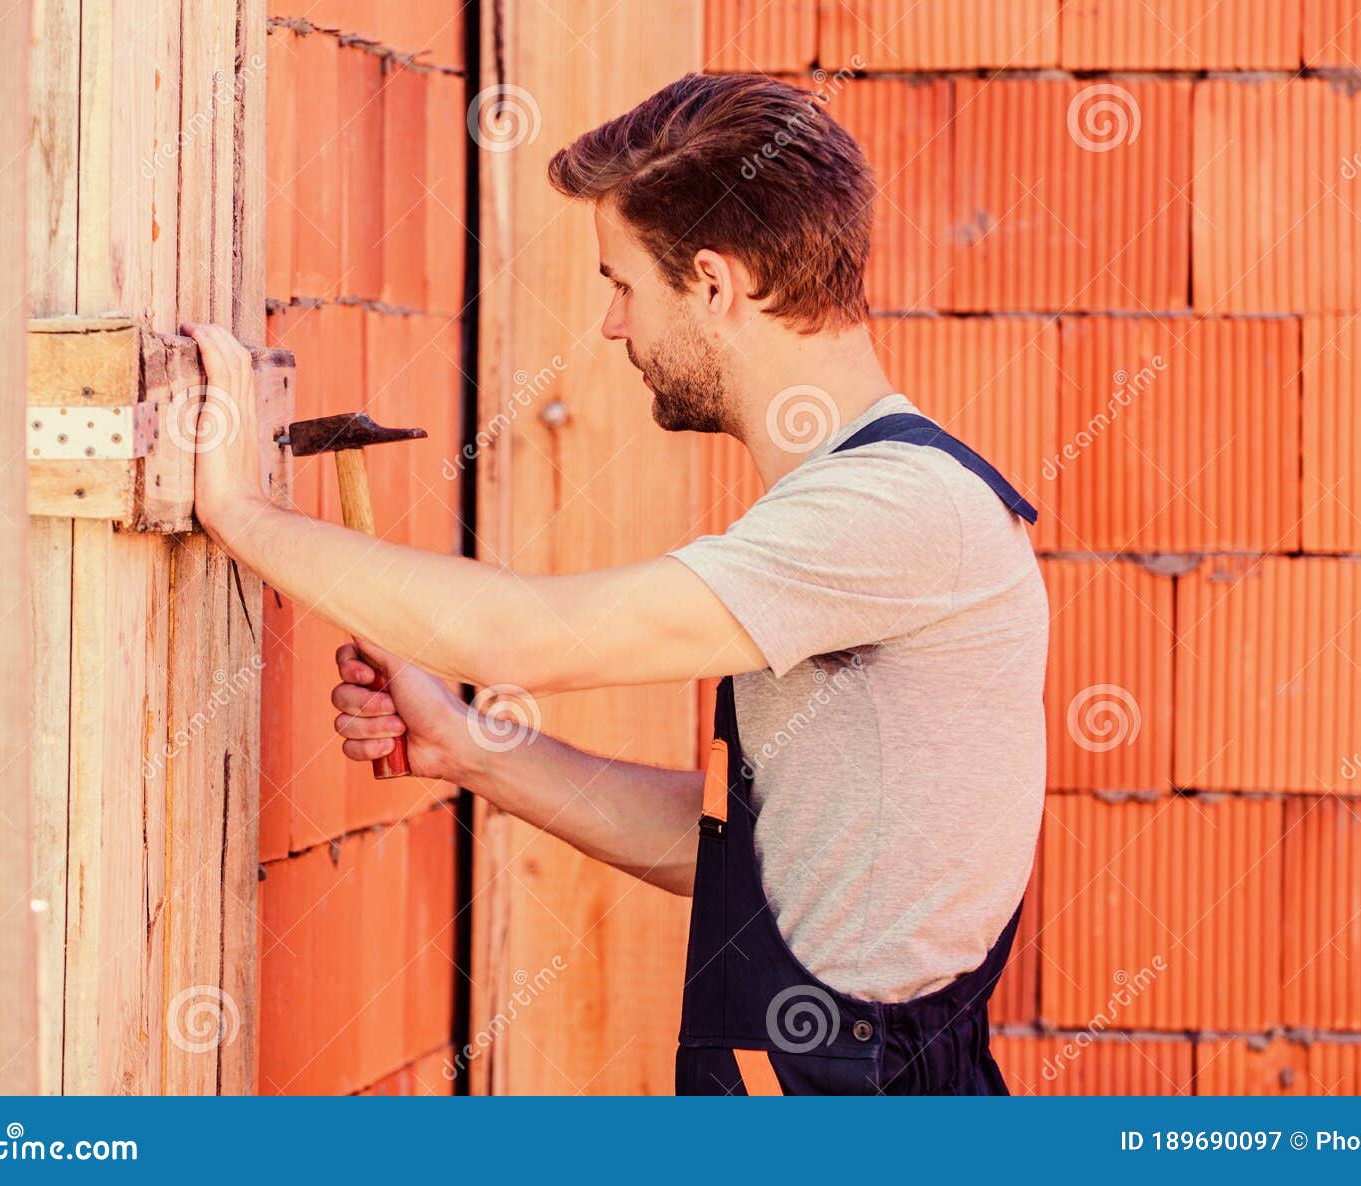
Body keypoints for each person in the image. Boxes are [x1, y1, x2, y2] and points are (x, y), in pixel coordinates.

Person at [185, 71, 1048, 1095]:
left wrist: (237, 509)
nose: (612, 326)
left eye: (622, 282)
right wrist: (471, 748)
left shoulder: (893, 513)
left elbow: (526, 640)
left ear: (716, 286)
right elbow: (758, 865)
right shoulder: (873, 501)